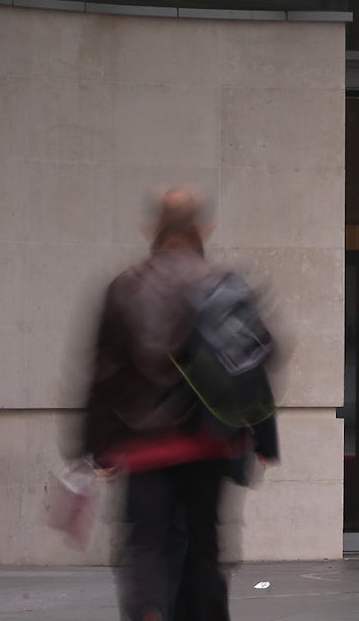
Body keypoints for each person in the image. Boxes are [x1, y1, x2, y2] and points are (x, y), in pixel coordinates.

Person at [79, 187, 279, 621]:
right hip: (211, 445)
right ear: (202, 229)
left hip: (146, 447)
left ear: (152, 229)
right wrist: (264, 438)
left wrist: (98, 448)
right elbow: (255, 365)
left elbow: (104, 374)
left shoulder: (126, 287)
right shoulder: (225, 285)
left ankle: (151, 611)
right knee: (205, 545)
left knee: (148, 544)